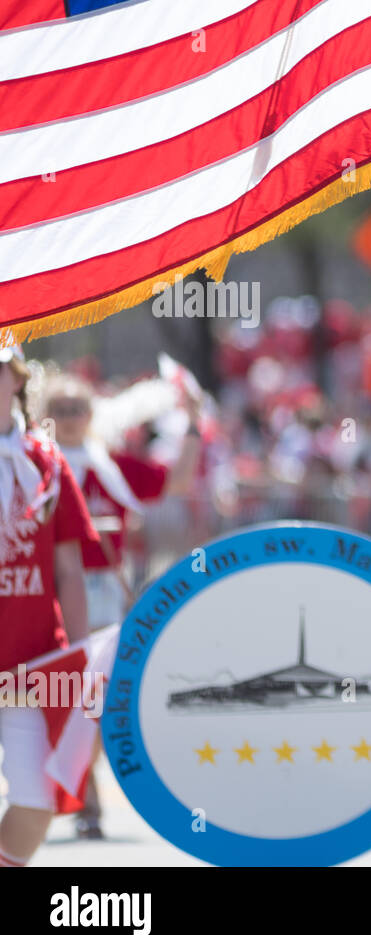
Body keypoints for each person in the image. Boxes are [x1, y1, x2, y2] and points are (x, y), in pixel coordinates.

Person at [41, 373, 203, 839]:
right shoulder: (34, 462)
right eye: (61, 409)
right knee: (60, 693)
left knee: (94, 692)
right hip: (44, 590)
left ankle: (84, 790)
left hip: (103, 589)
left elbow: (176, 482)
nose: (71, 419)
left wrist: (192, 423)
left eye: (78, 409)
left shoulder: (110, 465)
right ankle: (75, 790)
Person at [0, 346, 98, 867]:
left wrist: (78, 657)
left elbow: (68, 571)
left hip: (33, 667)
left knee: (37, 801)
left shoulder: (47, 461)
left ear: (15, 379)